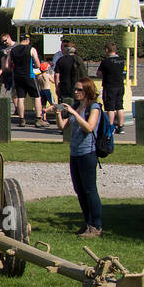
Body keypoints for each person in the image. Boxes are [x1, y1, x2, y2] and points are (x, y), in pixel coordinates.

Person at [57, 77, 103, 237]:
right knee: (79, 190)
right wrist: (58, 112)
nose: (76, 92)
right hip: (75, 153)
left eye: (79, 90)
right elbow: (62, 126)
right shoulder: (76, 106)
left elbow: (89, 127)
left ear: (87, 91)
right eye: (75, 89)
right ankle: (87, 223)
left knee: (90, 190)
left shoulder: (94, 107)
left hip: (87, 153)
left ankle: (96, 225)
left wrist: (74, 113)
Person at [7, 32, 44, 126]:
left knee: (20, 97)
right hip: (29, 75)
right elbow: (38, 64)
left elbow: (7, 65)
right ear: (28, 40)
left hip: (17, 76)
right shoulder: (31, 49)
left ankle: (22, 119)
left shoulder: (13, 50)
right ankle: (38, 118)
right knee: (36, 96)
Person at [96, 41, 127, 134]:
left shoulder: (106, 62)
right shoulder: (122, 61)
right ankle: (121, 127)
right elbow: (124, 73)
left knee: (110, 108)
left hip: (109, 86)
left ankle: (110, 126)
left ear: (107, 50)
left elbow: (99, 73)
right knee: (119, 106)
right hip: (120, 86)